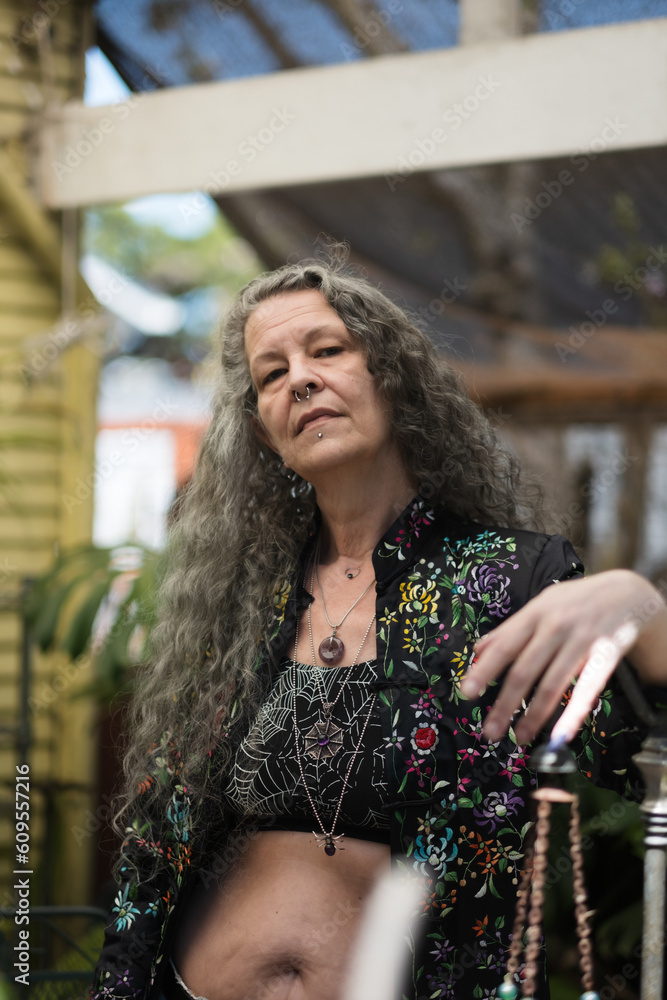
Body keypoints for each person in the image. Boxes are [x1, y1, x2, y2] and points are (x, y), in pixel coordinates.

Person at [92, 256, 667, 1000]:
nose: (298, 378)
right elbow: (152, 856)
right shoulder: (233, 605)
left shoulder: (509, 580)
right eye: (270, 374)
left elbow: (632, 728)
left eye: (326, 351)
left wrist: (635, 601)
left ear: (392, 377)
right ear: (265, 434)